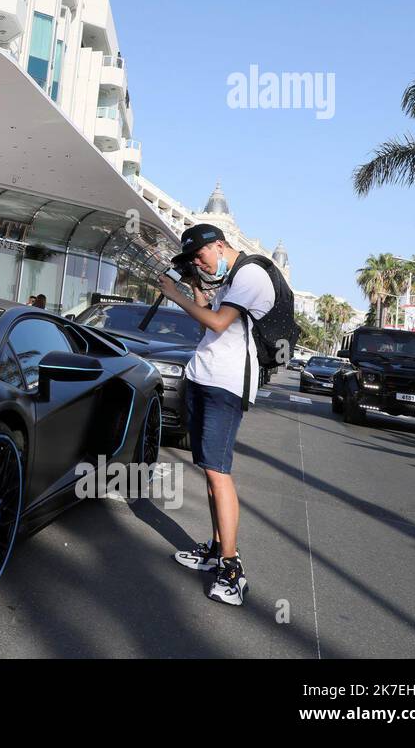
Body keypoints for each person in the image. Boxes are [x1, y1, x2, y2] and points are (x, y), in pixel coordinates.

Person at [158, 223, 275, 607]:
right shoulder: (226, 280)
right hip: (203, 376)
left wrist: (175, 296)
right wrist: (195, 288)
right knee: (209, 469)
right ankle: (216, 549)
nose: (199, 263)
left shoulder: (252, 275)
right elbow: (210, 318)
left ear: (220, 245)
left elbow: (219, 323)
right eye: (193, 261)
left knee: (218, 472)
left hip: (227, 384)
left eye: (200, 256)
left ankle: (231, 567)